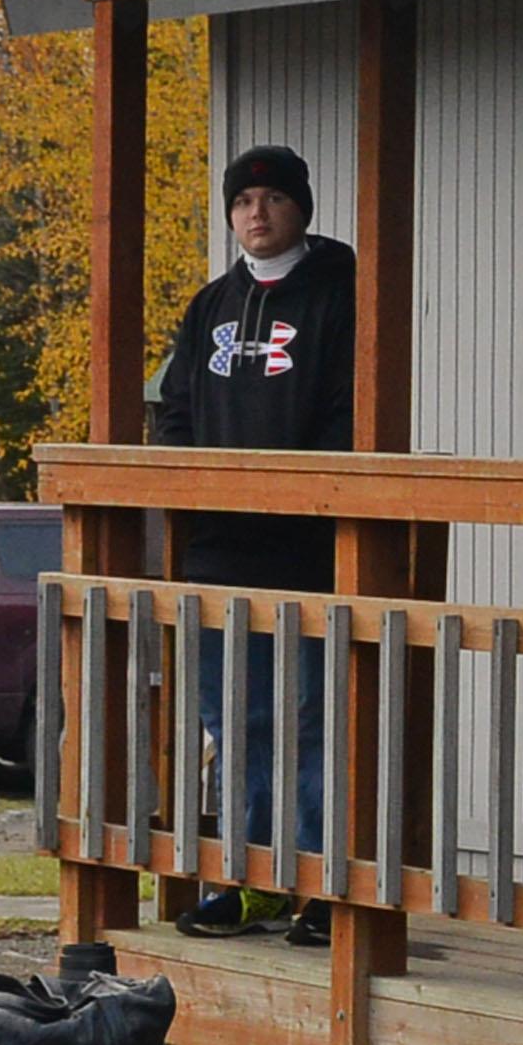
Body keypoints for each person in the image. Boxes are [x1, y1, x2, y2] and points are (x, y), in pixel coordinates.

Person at [149, 142, 351, 921]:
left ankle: (315, 887)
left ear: (300, 206)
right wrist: (185, 482)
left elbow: (347, 412)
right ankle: (233, 881)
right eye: (242, 202)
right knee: (230, 718)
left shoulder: (339, 296)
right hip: (218, 549)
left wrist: (299, 491)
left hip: (306, 548)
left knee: (309, 718)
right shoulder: (210, 307)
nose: (255, 213)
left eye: (269, 198)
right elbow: (178, 411)